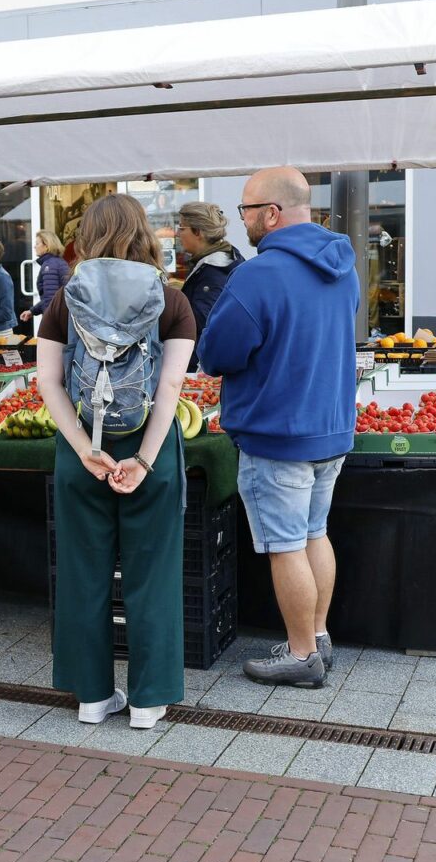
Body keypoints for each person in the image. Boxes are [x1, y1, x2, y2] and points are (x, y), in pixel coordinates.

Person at [37, 194, 195, 730]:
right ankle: (149, 702)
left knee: (84, 572)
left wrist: (85, 449)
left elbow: (47, 384)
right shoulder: (171, 300)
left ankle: (90, 697)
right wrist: (145, 461)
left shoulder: (64, 298)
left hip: (82, 450)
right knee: (152, 573)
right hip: (148, 449)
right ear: (144, 233)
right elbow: (171, 385)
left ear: (89, 234)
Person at [197, 168, 358, 688]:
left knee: (288, 544)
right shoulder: (344, 266)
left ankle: (302, 654)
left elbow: (217, 354)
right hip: (329, 428)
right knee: (315, 533)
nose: (240, 219)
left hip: (277, 433)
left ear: (272, 213)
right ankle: (318, 637)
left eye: (245, 209)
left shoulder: (259, 274)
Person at [177, 201, 244, 368]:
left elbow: (200, 325)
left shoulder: (213, 272)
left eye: (181, 228)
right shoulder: (227, 258)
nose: (178, 234)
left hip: (201, 366)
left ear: (197, 231)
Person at [20, 229, 71, 326]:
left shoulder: (49, 265)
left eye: (37, 243)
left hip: (56, 320)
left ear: (47, 246)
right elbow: (51, 297)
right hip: (63, 317)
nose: (34, 246)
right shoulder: (58, 262)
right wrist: (32, 311)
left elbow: (50, 299)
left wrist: (48, 323)